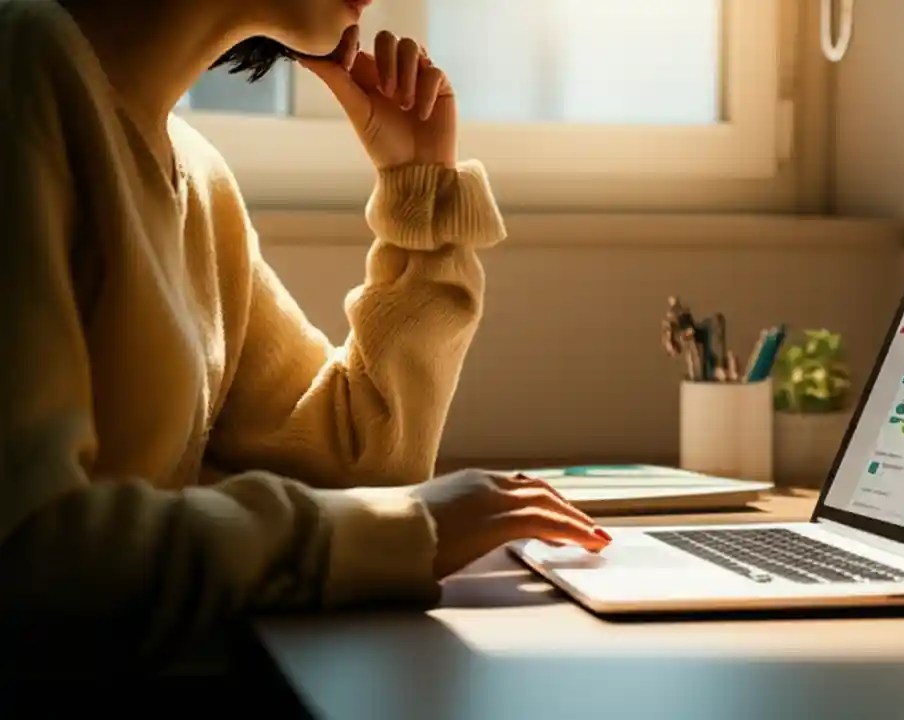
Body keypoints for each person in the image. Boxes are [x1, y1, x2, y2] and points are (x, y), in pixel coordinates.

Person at [0, 0, 611, 673]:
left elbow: (361, 467)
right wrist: (401, 527)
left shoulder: (198, 175)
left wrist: (421, 197)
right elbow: (28, 547)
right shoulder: (21, 60)